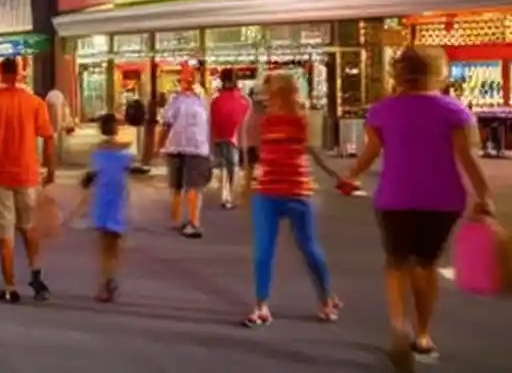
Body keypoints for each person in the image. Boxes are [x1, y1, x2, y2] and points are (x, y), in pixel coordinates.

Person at [346, 47, 494, 369]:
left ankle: (399, 326)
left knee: (397, 262)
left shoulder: (382, 111)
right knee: (426, 265)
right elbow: (467, 159)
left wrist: (352, 175)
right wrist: (483, 196)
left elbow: (371, 153)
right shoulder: (455, 112)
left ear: (398, 73)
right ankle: (423, 335)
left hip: (395, 198)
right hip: (442, 201)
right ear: (438, 71)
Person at [242, 72, 342, 328]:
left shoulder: (301, 120)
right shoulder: (262, 121)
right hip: (267, 192)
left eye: (270, 93)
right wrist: (247, 186)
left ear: (282, 93)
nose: (266, 98)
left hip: (297, 191)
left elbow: (312, 152)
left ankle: (326, 297)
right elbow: (255, 156)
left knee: (309, 248)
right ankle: (261, 305)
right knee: (263, 252)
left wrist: (336, 176)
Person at [0, 57, 56, 303]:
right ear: (19, 73)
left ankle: (10, 286)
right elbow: (49, 138)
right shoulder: (34, 103)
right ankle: (36, 275)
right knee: (29, 228)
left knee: (5, 233)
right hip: (28, 175)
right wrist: (50, 170)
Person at [69, 113, 132, 303]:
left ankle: (105, 281)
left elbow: (89, 179)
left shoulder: (97, 153)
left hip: (102, 203)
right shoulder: (124, 154)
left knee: (103, 246)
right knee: (115, 245)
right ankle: (112, 277)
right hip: (118, 201)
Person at [158, 71, 212, 238]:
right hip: (195, 147)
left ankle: (180, 220)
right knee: (190, 186)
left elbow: (166, 124)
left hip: (180, 147)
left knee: (179, 186)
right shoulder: (204, 100)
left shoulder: (177, 100)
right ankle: (191, 221)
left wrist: (159, 145)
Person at [210, 68, 251, 210]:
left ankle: (226, 197)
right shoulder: (242, 99)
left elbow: (212, 120)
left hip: (221, 137)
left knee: (224, 168)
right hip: (234, 138)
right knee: (232, 167)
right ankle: (229, 198)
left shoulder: (216, 100)